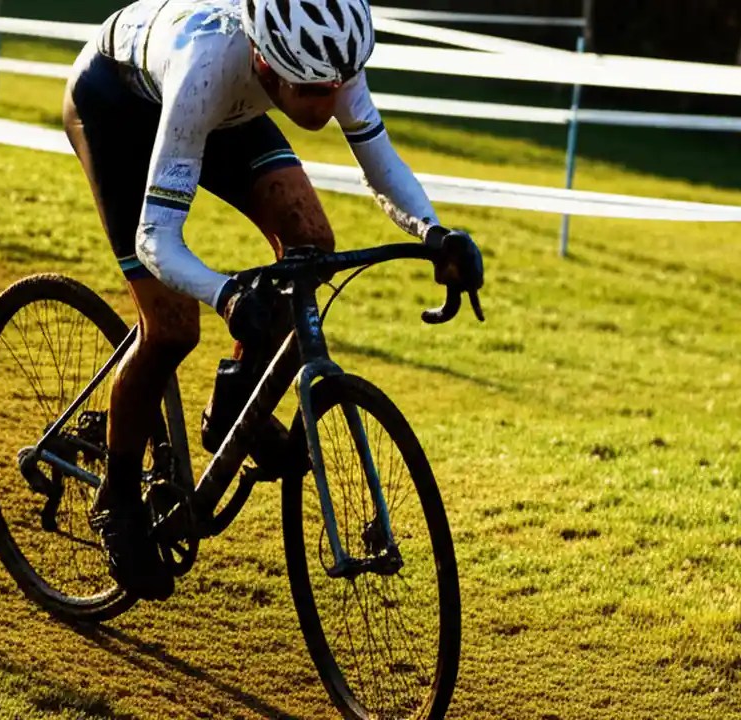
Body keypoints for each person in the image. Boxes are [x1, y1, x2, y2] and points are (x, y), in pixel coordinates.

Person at [63, 0, 480, 600]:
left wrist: (435, 234)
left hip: (226, 108)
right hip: (120, 105)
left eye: (333, 88)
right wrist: (226, 294)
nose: (324, 104)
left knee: (310, 243)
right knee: (173, 326)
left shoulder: (327, 59)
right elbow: (156, 240)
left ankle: (235, 406)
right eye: (309, 92)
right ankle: (118, 496)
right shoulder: (204, 66)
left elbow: (379, 161)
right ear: (265, 62)